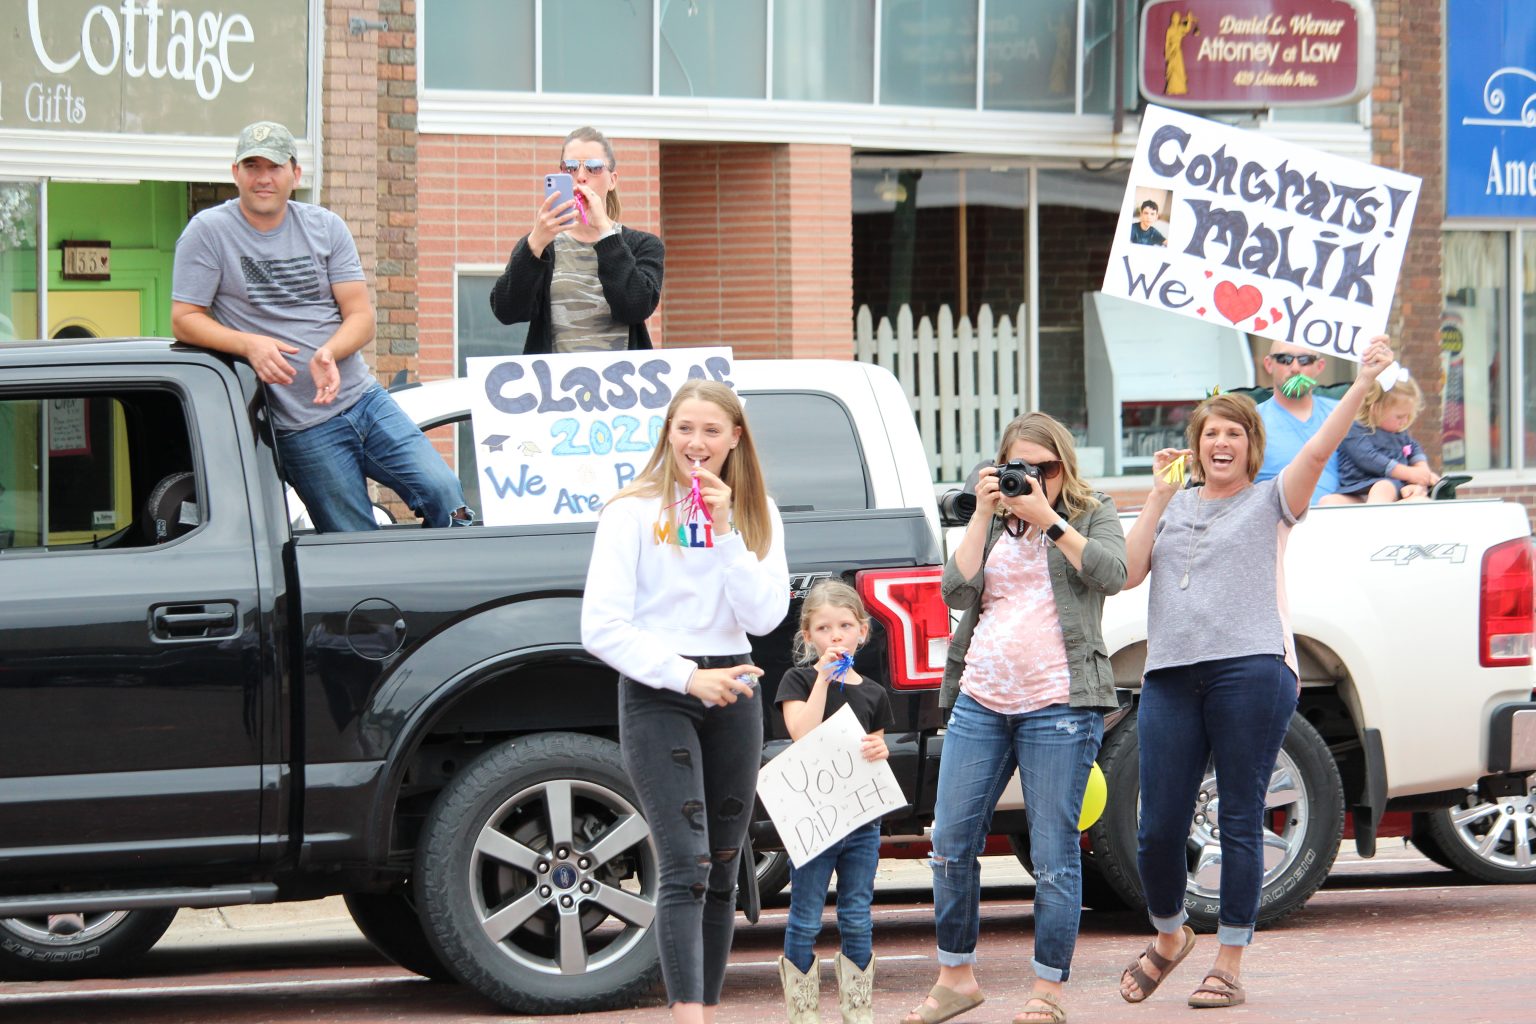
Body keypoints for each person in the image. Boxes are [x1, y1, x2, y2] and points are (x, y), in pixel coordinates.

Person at [1117, 337, 1395, 1010]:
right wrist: (1155, 498)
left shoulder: (1273, 499)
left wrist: (1359, 384)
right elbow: (1125, 574)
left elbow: (1322, 450)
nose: (1222, 443)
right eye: (1211, 432)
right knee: (1157, 827)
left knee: (1240, 817)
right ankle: (1169, 935)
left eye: (1234, 434)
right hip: (1172, 675)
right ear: (1195, 444)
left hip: (1251, 669)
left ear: (1251, 446)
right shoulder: (1174, 505)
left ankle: (1231, 960)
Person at [904, 412, 1127, 1024]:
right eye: (1019, 467)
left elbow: (1114, 573)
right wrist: (982, 512)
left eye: (1045, 468)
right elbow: (956, 589)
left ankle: (1047, 992)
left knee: (1053, 852)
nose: (1032, 478)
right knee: (950, 842)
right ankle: (956, 978)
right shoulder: (995, 521)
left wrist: (1048, 519)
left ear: (1063, 468)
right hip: (982, 697)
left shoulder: (1088, 511)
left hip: (1059, 702)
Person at [580, 379, 788, 1023]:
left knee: (725, 863)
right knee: (686, 863)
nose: (695, 443)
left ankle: (709, 1007)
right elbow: (602, 626)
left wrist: (727, 531)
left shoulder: (758, 512)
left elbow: (766, 615)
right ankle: (686, 1014)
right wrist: (684, 676)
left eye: (711, 431)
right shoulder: (631, 511)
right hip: (660, 688)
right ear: (667, 432)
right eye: (684, 429)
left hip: (735, 682)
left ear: (735, 439)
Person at [171, 120, 470, 533]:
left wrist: (329, 352)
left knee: (445, 493)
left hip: (364, 400)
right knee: (353, 539)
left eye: (274, 167)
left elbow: (361, 318)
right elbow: (185, 319)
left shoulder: (325, 227)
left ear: (295, 174)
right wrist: (249, 346)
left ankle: (449, 588)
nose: (263, 178)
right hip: (302, 429)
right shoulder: (207, 234)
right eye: (252, 166)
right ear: (235, 172)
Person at [775, 579, 894, 1024]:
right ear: (809, 637)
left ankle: (857, 1007)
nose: (836, 635)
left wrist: (879, 750)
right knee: (805, 914)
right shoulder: (799, 679)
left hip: (860, 822)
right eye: (824, 628)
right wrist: (823, 679)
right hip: (814, 819)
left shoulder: (874, 693)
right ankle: (803, 1010)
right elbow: (801, 732)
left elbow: (874, 749)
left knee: (856, 912)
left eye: (845, 625)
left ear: (862, 631)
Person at [489, 126, 664, 353]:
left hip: (620, 384)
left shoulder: (642, 245)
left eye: (593, 168)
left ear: (612, 180)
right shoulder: (543, 246)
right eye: (570, 168)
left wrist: (606, 234)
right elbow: (507, 311)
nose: (581, 177)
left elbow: (635, 307)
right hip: (555, 385)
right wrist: (534, 244)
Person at [1253, 341, 1353, 506]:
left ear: (1319, 367)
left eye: (1305, 360)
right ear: (1269, 364)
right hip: (1274, 523)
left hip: (1338, 520)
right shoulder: (1249, 421)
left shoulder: (1343, 414)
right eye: (1284, 359)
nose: (1295, 368)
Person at [1337, 376, 1439, 502]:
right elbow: (1369, 459)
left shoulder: (1399, 432)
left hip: (1389, 485)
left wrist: (1422, 469)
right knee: (1328, 501)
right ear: (1376, 409)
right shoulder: (1354, 429)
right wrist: (1410, 473)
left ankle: (1375, 519)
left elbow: (1414, 448)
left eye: (1409, 415)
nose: (1405, 421)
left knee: (1382, 488)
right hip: (1356, 487)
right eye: (1400, 416)